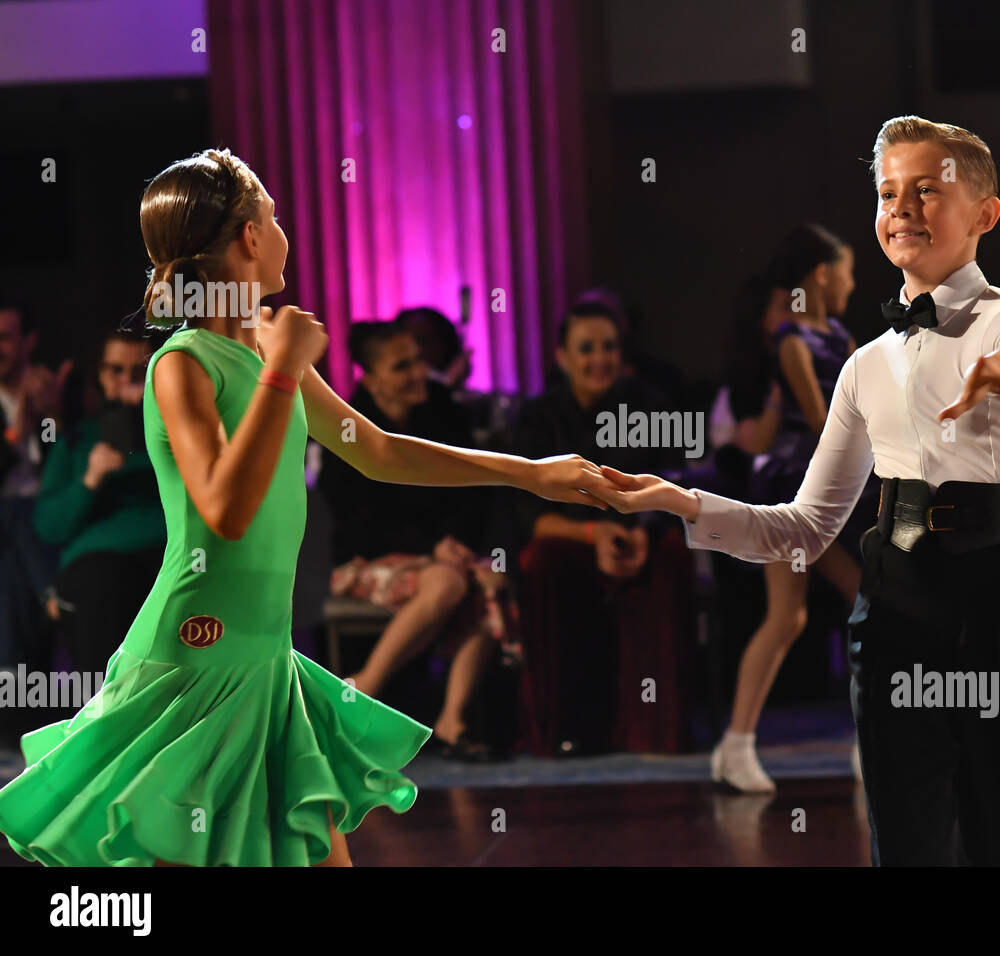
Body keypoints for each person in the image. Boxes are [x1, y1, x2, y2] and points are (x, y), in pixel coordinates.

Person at [0, 148, 617, 867]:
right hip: (194, 666)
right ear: (250, 239)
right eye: (272, 214)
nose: (283, 230)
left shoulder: (266, 356)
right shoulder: (181, 364)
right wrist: (286, 370)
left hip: (264, 664)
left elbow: (378, 450)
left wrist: (529, 474)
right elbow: (226, 508)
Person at [594, 116, 1000, 866]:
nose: (903, 208)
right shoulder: (863, 365)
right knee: (905, 822)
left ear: (984, 214)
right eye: (890, 194)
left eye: (927, 190)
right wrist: (680, 502)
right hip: (896, 593)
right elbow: (803, 527)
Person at [711, 224, 878, 793]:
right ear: (823, 274)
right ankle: (742, 746)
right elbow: (821, 419)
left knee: (795, 616)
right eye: (849, 272)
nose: (853, 284)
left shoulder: (837, 334)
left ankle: (736, 745)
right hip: (796, 491)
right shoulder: (791, 341)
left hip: (835, 488)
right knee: (851, 605)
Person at [511, 299, 695, 757]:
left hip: (636, 537)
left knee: (671, 554)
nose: (599, 359)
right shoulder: (539, 417)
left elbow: (676, 485)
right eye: (586, 348)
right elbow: (524, 512)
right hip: (571, 540)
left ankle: (654, 730)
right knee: (542, 561)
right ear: (563, 357)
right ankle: (567, 731)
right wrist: (592, 537)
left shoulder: (650, 406)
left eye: (609, 347)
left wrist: (642, 535)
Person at [316, 320, 495, 761]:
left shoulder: (443, 410)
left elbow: (473, 488)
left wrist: (456, 544)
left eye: (418, 360)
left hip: (439, 557)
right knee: (451, 584)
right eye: (402, 367)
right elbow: (357, 523)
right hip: (360, 559)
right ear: (372, 379)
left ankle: (452, 722)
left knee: (486, 588)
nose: (419, 373)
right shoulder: (347, 425)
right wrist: (435, 546)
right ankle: (364, 689)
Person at [34, 330, 166, 682]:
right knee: (103, 583)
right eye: (115, 371)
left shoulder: (175, 433)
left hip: (168, 556)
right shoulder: (76, 441)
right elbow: (49, 526)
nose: (126, 382)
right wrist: (89, 480)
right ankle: (106, 720)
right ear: (100, 375)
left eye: (137, 372)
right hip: (98, 567)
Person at [0, 302, 71, 672]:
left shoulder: (50, 390)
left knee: (16, 549)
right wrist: (15, 431)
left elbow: (65, 459)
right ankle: (52, 597)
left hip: (44, 514)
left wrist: (53, 417)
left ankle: (11, 674)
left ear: (28, 341)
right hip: (12, 516)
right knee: (17, 519)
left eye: (5, 338)